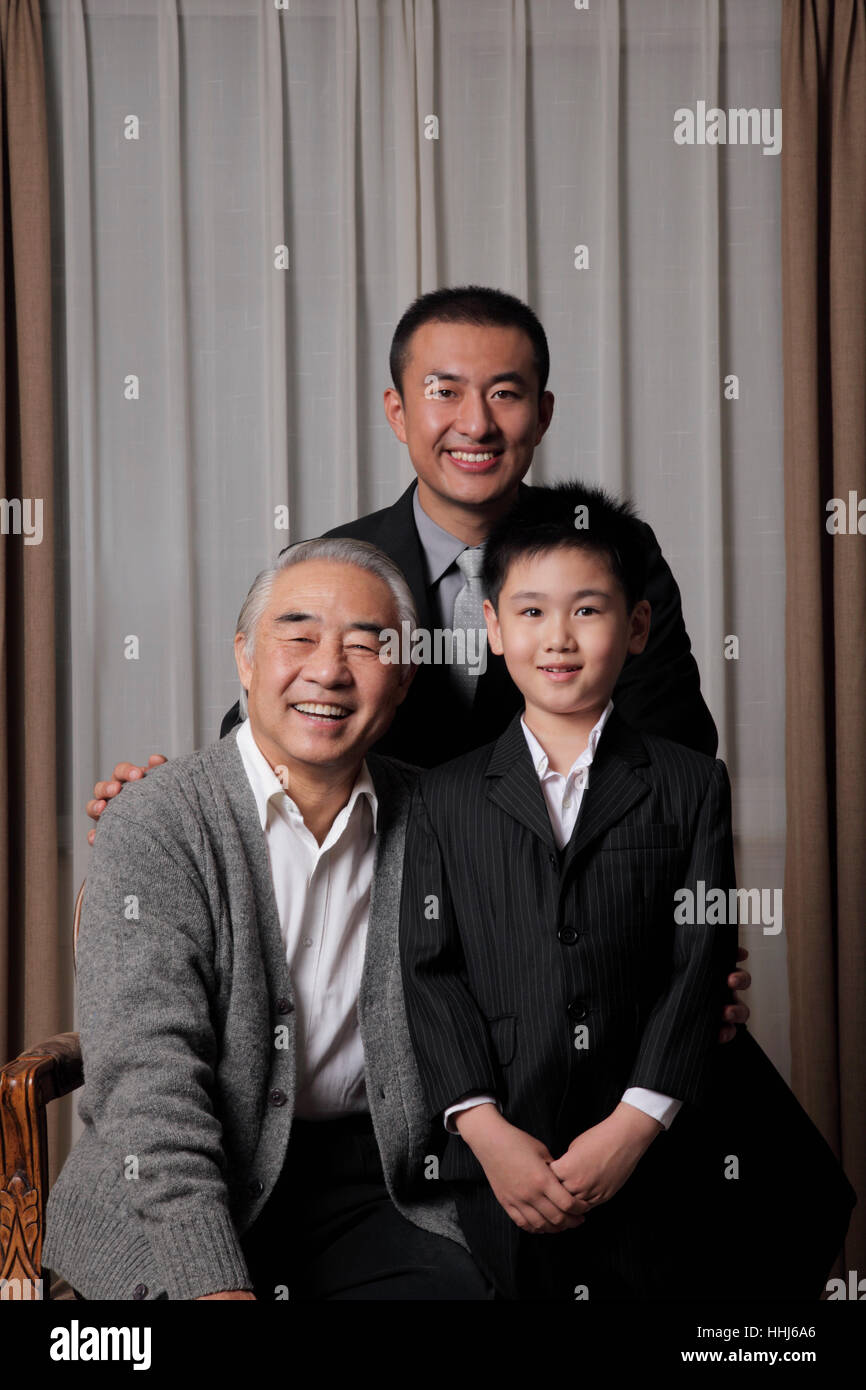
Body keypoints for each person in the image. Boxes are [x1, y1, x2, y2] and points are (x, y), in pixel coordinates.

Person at [85, 286, 751, 1042]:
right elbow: (268, 751)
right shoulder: (332, 566)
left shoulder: (611, 557)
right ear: (398, 411)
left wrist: (688, 954)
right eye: (445, 392)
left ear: (543, 413)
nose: (476, 423)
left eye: (506, 393)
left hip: (579, 963)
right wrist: (168, 806)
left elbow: (673, 767)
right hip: (392, 969)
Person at [397, 481, 855, 1302]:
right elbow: (430, 974)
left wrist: (635, 1123)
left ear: (637, 627)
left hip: (653, 1138)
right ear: (493, 628)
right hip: (506, 1136)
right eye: (531, 613)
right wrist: (485, 1130)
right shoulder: (444, 797)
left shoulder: (688, 783)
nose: (559, 638)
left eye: (589, 611)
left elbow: (696, 963)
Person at [43, 540, 495, 1301]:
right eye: (298, 635)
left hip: (379, 1182)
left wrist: (686, 972)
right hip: (180, 1179)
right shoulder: (160, 820)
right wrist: (211, 1283)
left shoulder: (443, 819)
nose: (328, 669)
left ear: (405, 678)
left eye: (366, 642)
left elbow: (543, 968)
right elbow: (148, 1080)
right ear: (246, 659)